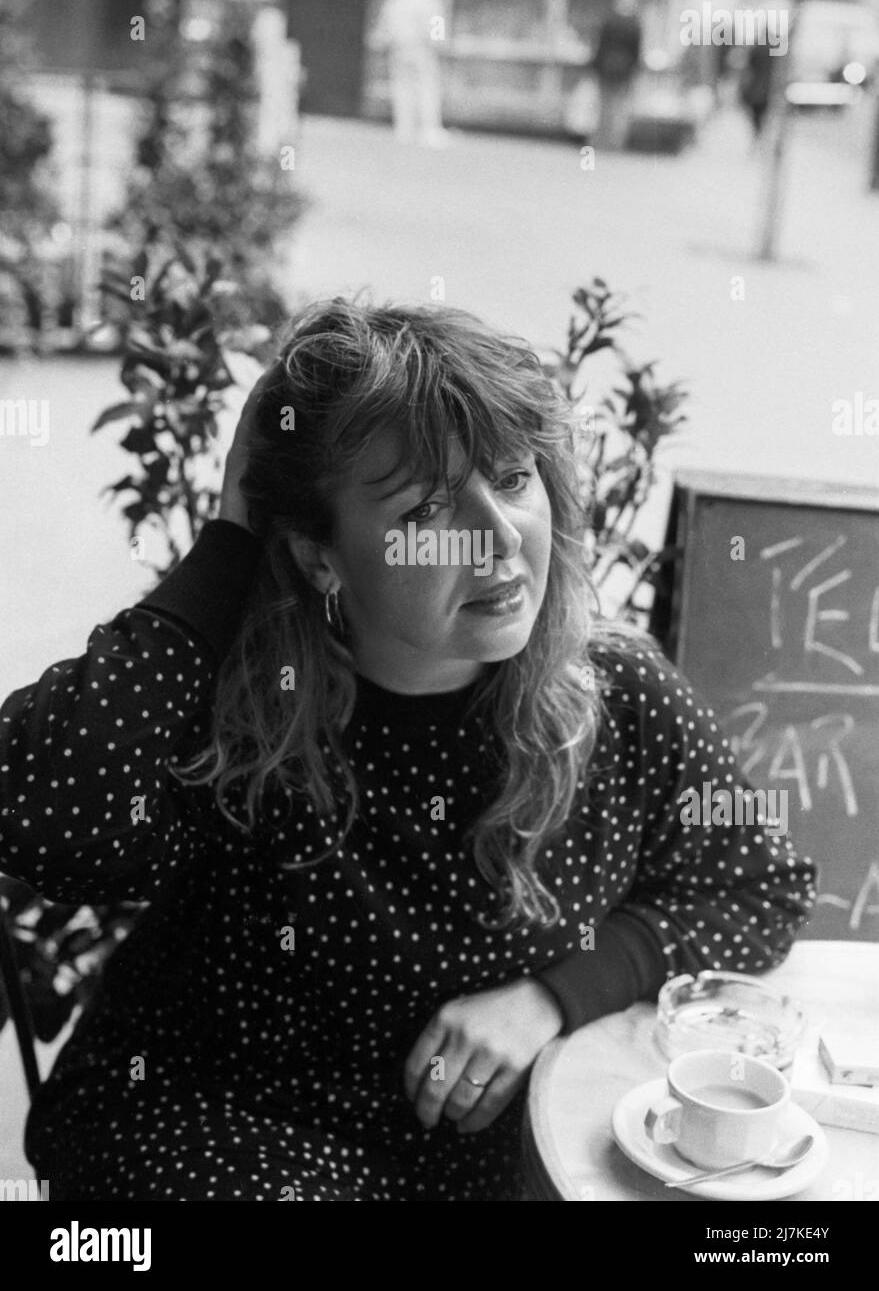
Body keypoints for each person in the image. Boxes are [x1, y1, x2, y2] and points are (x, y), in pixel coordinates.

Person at [2, 298, 816, 1201]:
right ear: (320, 558)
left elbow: (758, 880)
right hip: (218, 1135)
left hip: (481, 1166)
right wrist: (230, 543)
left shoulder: (617, 694)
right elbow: (36, 815)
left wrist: (555, 995)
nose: (499, 538)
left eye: (511, 478)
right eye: (426, 507)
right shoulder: (235, 705)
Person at [374, 0, 448, 148]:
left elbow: (383, 29)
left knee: (401, 90)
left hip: (399, 50)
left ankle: (404, 131)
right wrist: (438, 47)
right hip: (422, 50)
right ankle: (428, 131)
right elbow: (436, 30)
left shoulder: (395, 0)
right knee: (427, 89)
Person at [593, 0, 642, 151]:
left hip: (606, 69)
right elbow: (637, 52)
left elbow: (600, 47)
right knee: (618, 107)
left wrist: (595, 67)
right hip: (624, 71)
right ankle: (614, 143)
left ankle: (600, 141)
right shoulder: (635, 24)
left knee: (604, 107)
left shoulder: (609, 21)